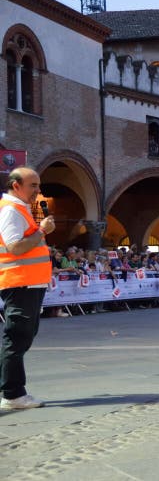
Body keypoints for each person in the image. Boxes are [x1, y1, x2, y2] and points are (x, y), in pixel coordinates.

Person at [0, 167, 55, 409]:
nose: (38, 190)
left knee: (21, 337)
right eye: (33, 185)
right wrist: (42, 231)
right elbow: (16, 247)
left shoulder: (19, 209)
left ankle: (10, 390)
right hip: (20, 282)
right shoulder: (11, 211)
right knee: (16, 338)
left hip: (28, 282)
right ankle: (13, 395)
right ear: (16, 186)